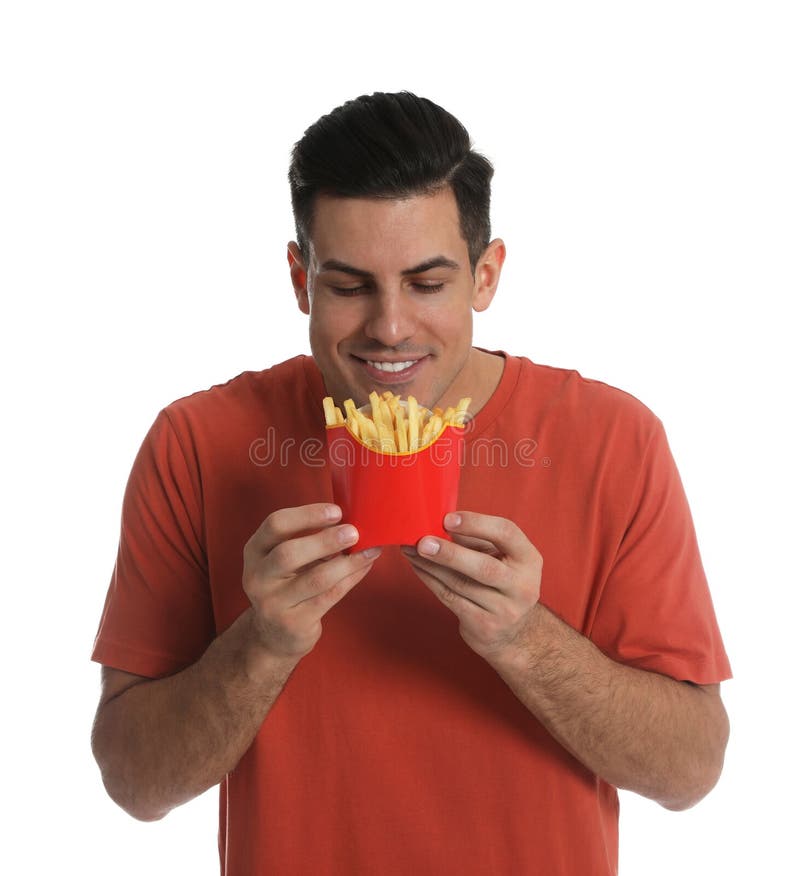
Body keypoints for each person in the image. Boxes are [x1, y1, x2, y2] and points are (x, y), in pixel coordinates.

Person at [91, 91, 731, 875]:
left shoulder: (614, 440)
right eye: (349, 286)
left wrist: (526, 639)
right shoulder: (198, 445)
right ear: (300, 279)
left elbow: (691, 771)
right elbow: (132, 781)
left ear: (485, 275)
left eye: (427, 284)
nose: (390, 327)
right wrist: (262, 645)